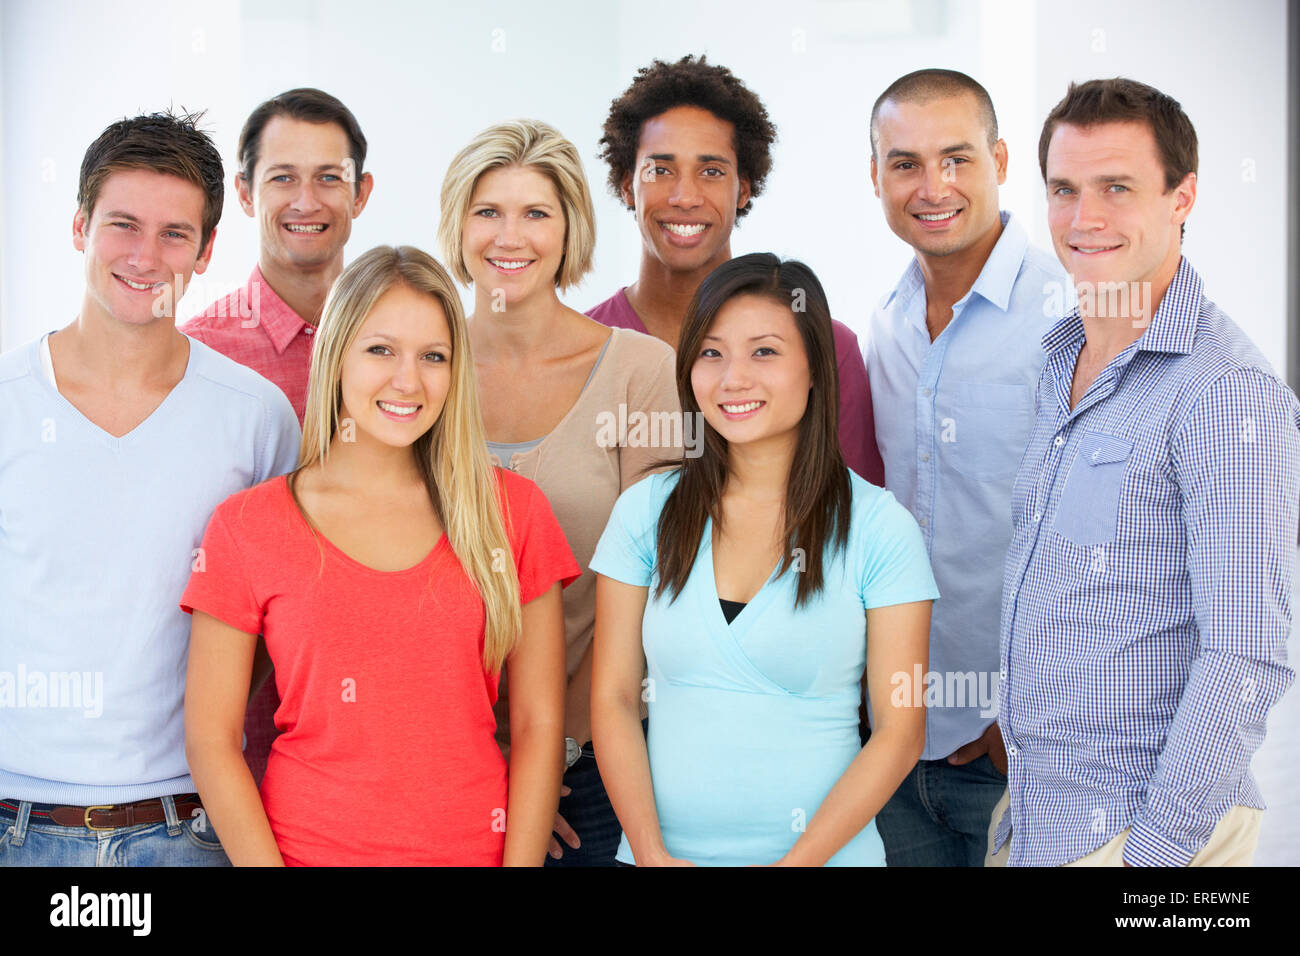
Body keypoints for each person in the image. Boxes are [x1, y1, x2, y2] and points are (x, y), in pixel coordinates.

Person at [181, 245, 578, 866]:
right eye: (381, 350)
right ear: (337, 355)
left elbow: (536, 727)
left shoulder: (512, 513)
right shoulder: (247, 526)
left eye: (433, 356)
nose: (408, 381)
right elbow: (209, 739)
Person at [990, 78, 1299, 867]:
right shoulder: (1060, 359)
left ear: (1182, 196)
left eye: (1116, 188)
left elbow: (1248, 653)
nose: (1083, 219)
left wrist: (1151, 859)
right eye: (1064, 189)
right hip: (1037, 825)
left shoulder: (1226, 392)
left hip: (1140, 842)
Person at [0, 110, 300, 866]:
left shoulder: (256, 416)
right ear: (78, 226)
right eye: (122, 225)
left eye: (175, 234)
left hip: (188, 825)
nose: (145, 256)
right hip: (14, 820)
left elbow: (279, 614)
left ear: (205, 252)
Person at [590, 253, 937, 866]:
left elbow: (899, 733)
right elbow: (615, 698)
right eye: (712, 352)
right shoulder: (644, 511)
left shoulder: (882, 529)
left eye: (765, 352)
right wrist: (650, 855)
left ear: (815, 368)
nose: (733, 379)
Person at [438, 119, 679, 866]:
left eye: (536, 213)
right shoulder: (419, 366)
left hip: (591, 762)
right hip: (440, 756)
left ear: (570, 228)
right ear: (458, 223)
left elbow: (645, 593)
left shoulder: (642, 371)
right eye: (489, 211)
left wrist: (545, 766)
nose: (511, 236)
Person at [863, 69, 1068, 866]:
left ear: (1001, 160)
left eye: (957, 158)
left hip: (1019, 753)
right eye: (905, 163)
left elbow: (1107, 543)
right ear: (875, 176)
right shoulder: (884, 326)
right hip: (896, 745)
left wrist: (1025, 717)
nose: (932, 185)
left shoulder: (1070, 317)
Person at [180, 88, 374, 785]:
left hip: (384, 740)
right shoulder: (195, 358)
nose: (307, 200)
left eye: (330, 177)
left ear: (363, 193)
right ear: (242, 192)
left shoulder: (408, 352)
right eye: (282, 178)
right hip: (240, 750)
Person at [589, 54, 885, 485]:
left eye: (711, 171)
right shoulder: (584, 350)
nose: (685, 196)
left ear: (743, 188)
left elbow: (858, 520)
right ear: (626, 184)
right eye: (660, 169)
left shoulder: (824, 346)